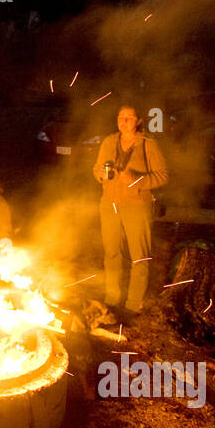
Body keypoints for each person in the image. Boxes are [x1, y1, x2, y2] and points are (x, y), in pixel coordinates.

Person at [94, 105, 169, 316]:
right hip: (109, 204)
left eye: (129, 117)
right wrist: (100, 173)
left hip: (137, 205)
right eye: (120, 117)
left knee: (140, 256)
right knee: (112, 253)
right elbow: (96, 168)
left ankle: (134, 303)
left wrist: (138, 180)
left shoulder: (148, 145)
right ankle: (112, 297)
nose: (124, 121)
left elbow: (163, 175)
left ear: (138, 121)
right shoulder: (109, 141)